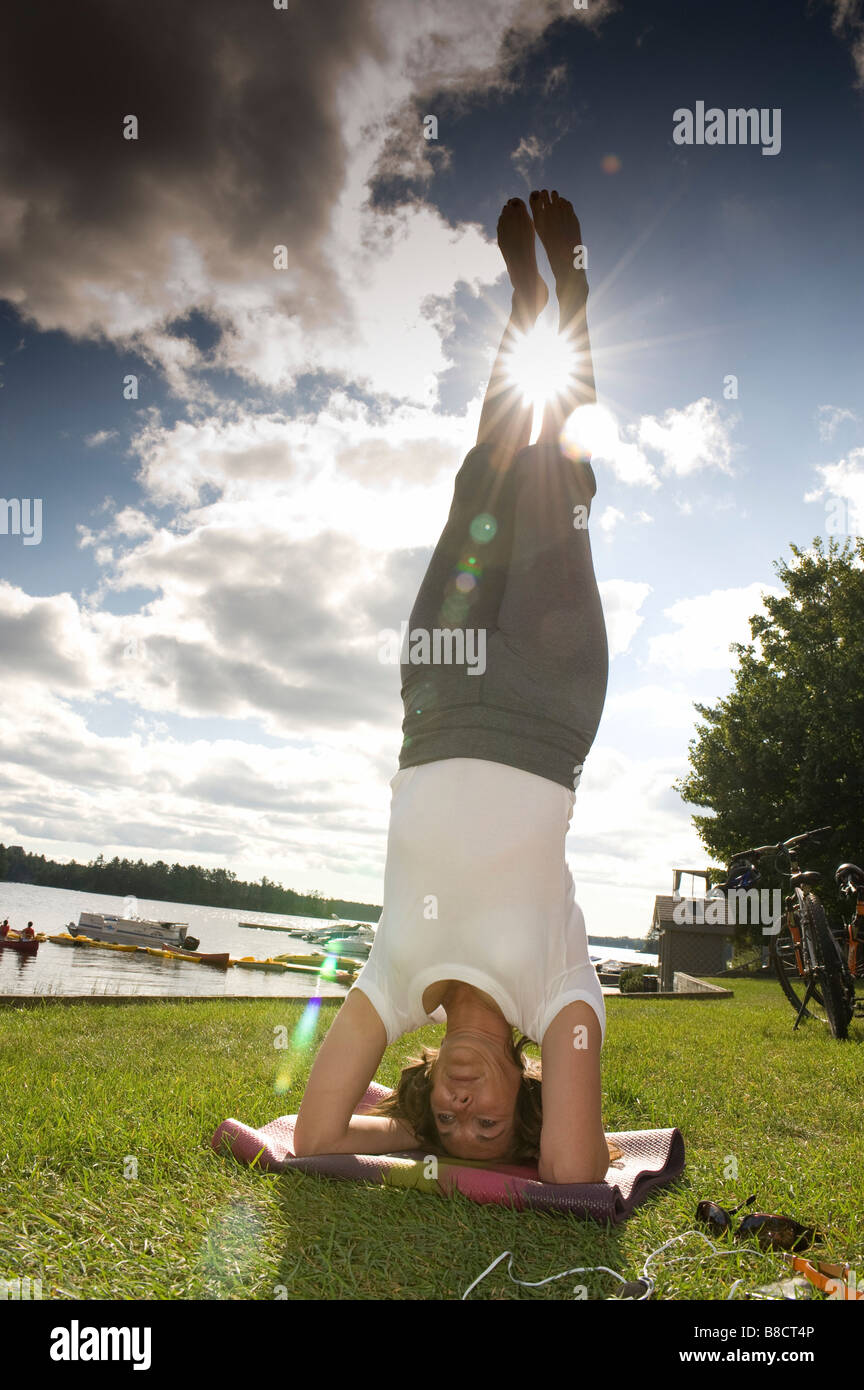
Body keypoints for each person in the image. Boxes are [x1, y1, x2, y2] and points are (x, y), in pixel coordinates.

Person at [295, 191, 615, 1183]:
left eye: (452, 1116)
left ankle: (531, 307)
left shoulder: (392, 983)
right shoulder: (559, 990)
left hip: (436, 701)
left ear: (429, 1086)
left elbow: (315, 1136)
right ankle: (571, 295)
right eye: (489, 1124)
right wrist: (492, 1142)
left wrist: (412, 1126)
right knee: (552, 475)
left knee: (483, 479)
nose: (471, 1111)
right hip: (544, 701)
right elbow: (569, 1172)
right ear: (528, 1084)